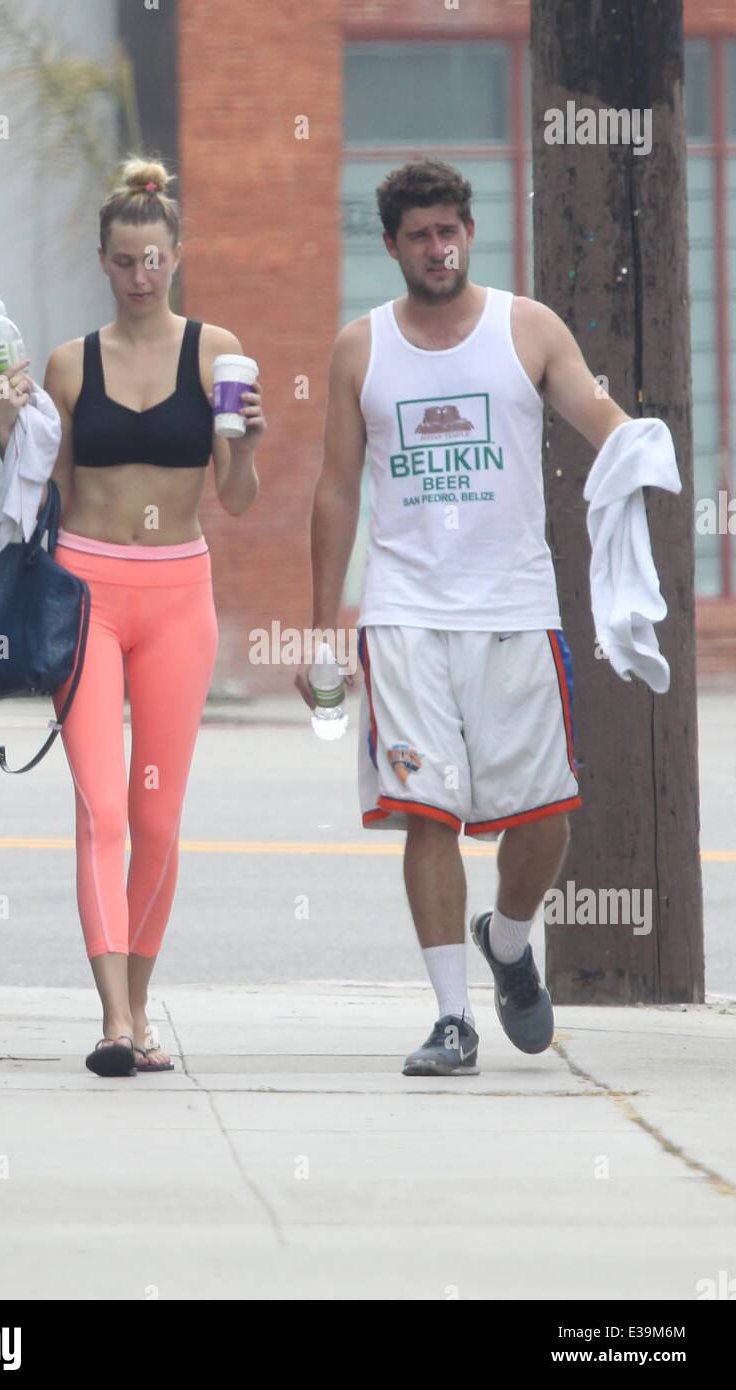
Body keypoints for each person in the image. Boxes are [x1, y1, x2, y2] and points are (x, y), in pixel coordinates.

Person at [295, 157, 630, 1076]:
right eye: (419, 235)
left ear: (470, 232)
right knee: (426, 811)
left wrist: (640, 452)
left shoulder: (527, 329)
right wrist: (323, 628)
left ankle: (510, 942)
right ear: (393, 244)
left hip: (517, 608)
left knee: (546, 811)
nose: (437, 248)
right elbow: (333, 489)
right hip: (404, 611)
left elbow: (601, 421)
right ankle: (452, 1019)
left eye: (450, 231)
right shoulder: (360, 348)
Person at [0, 155, 265, 1077]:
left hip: (180, 592)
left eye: (154, 259)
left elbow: (237, 496)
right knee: (102, 806)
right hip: (87, 593)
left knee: (156, 817)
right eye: (123, 261)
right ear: (101, 261)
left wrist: (248, 443)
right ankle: (113, 1020)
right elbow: (35, 494)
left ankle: (142, 1008)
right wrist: (5, 431)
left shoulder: (217, 351)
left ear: (177, 256)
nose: (140, 277)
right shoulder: (71, 365)